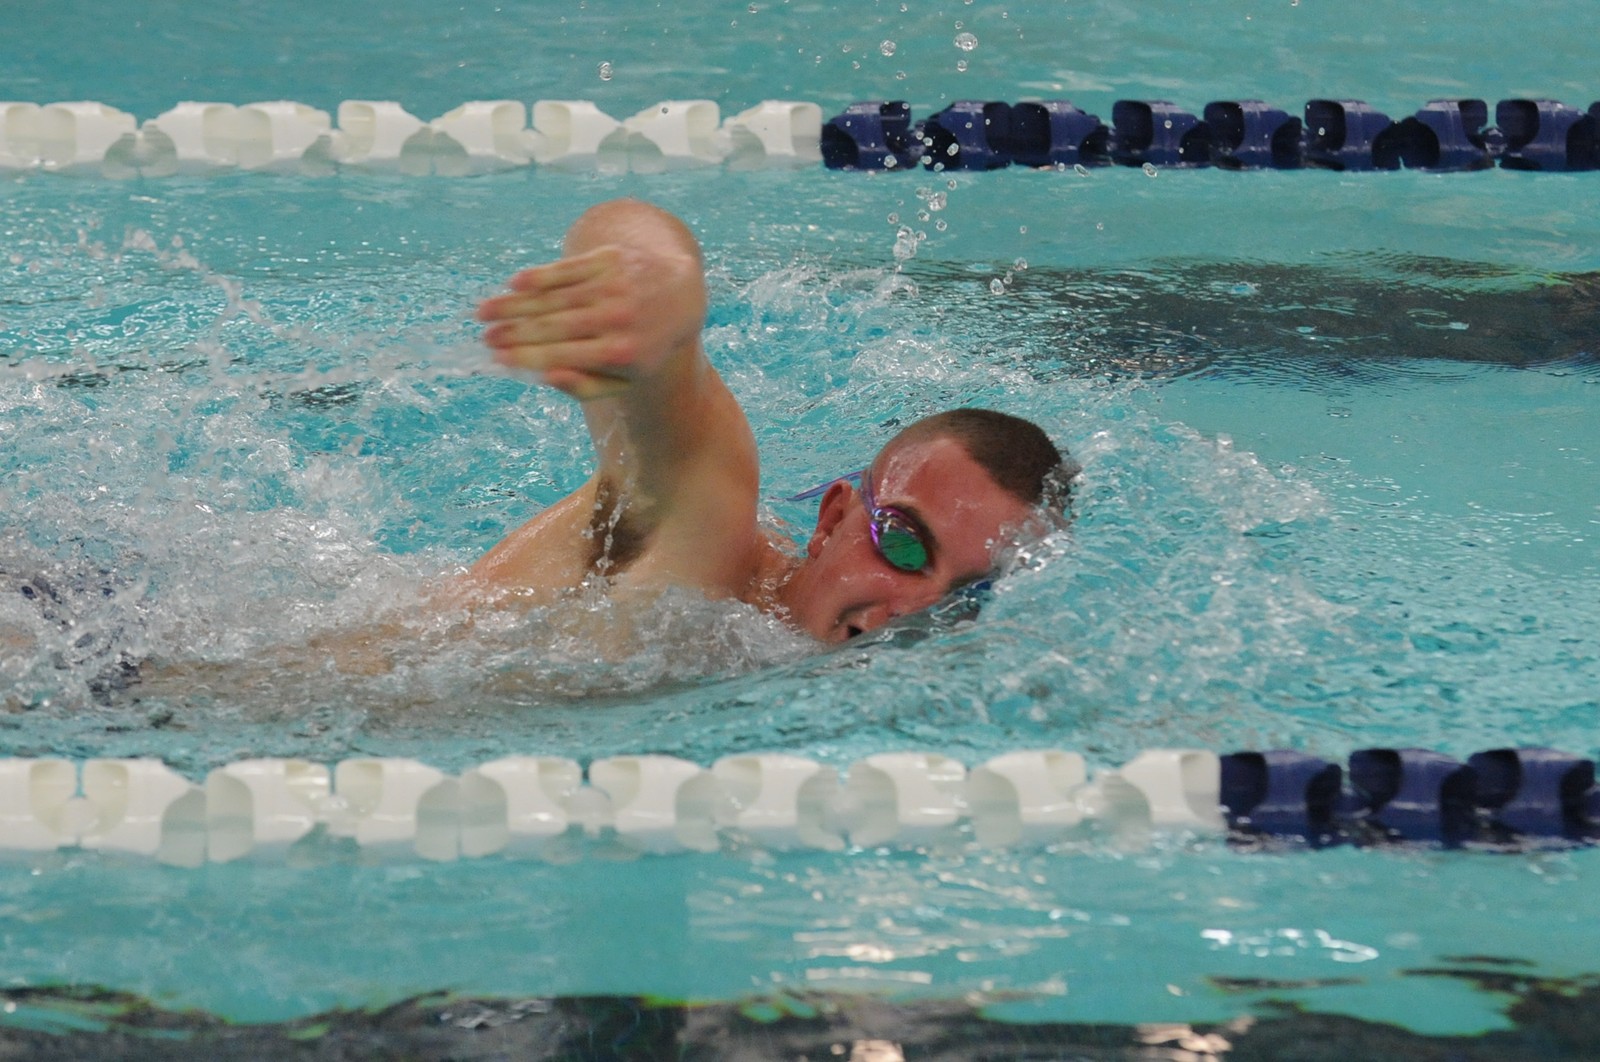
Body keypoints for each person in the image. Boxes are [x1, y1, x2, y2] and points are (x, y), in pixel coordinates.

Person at [462, 198, 1076, 644]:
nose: (915, 610)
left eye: (969, 599)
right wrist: (659, 284)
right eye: (904, 547)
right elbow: (678, 399)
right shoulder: (703, 553)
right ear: (832, 517)